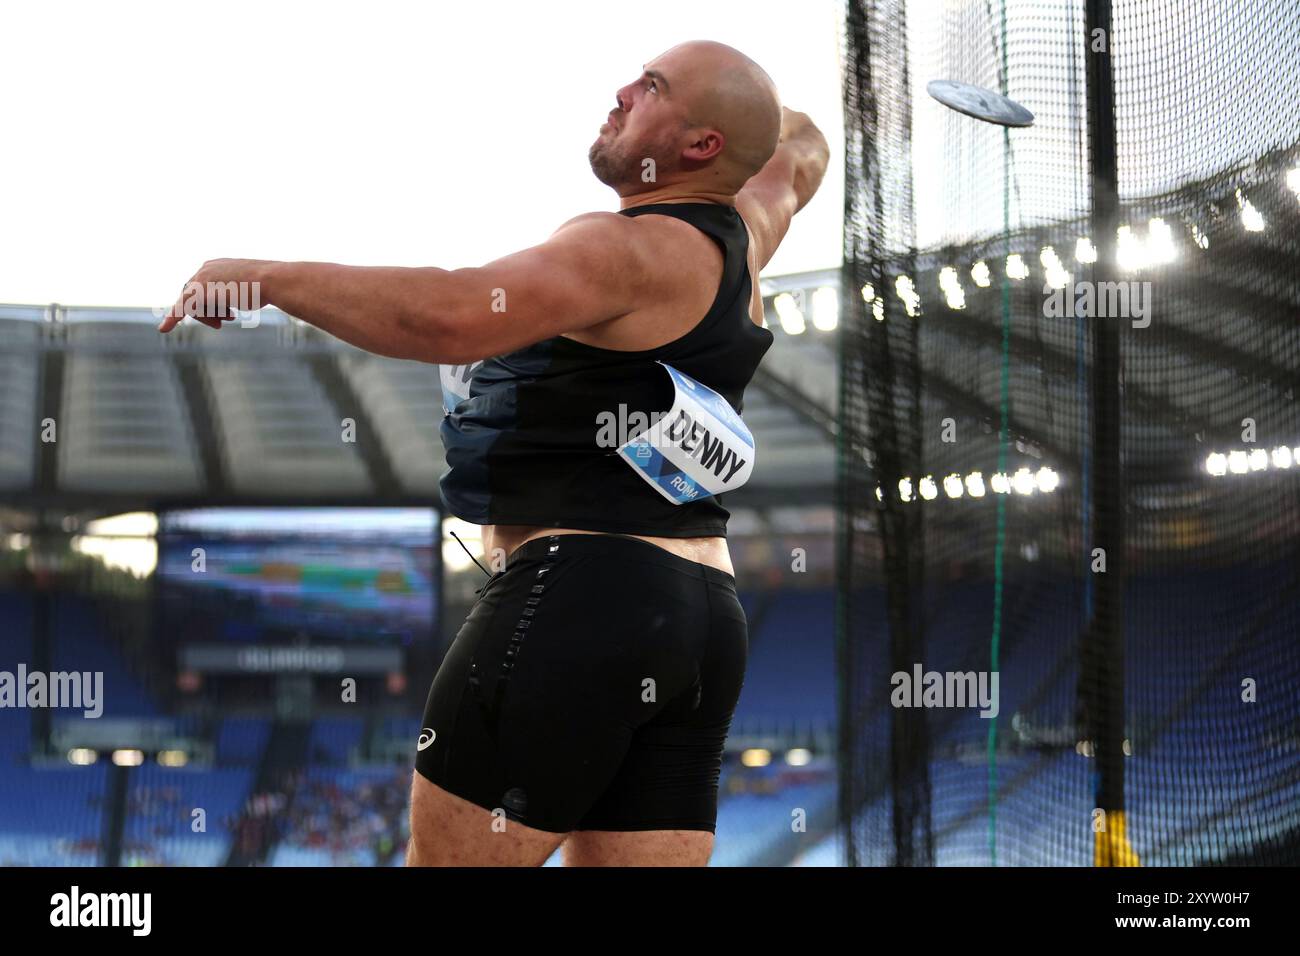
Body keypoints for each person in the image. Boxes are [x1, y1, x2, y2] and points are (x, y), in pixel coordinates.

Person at [160, 39, 829, 866]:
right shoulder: (745, 235)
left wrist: (261, 276)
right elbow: (799, 152)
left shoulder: (627, 250)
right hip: (703, 623)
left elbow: (447, 314)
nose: (620, 92)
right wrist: (756, 119)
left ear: (699, 147)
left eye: (651, 88)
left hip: (579, 601)